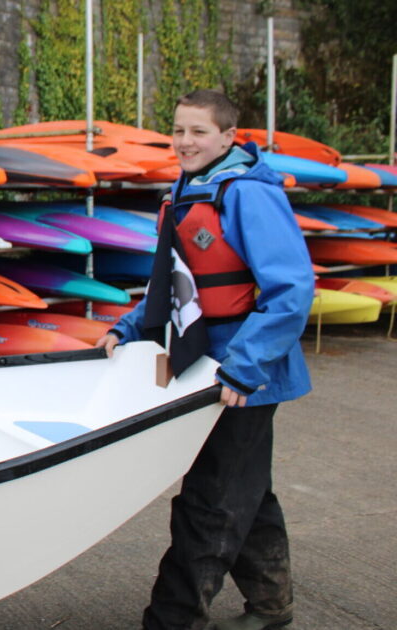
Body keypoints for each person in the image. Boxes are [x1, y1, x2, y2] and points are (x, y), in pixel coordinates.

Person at [96, 89, 314, 630]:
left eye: (198, 132)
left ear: (226, 137)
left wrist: (246, 364)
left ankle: (172, 620)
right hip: (202, 366)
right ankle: (271, 605)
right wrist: (128, 328)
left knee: (211, 500)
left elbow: (291, 288)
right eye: (178, 131)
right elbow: (173, 282)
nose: (185, 141)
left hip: (244, 375)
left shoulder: (246, 194)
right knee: (244, 489)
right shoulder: (189, 189)